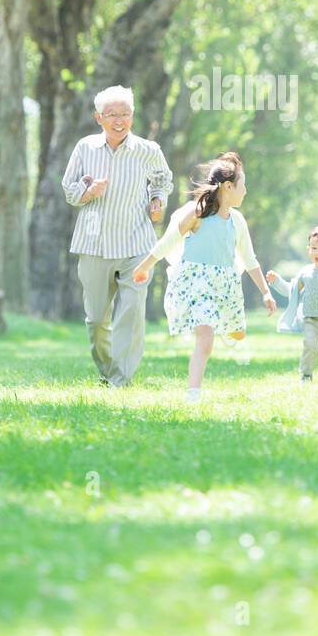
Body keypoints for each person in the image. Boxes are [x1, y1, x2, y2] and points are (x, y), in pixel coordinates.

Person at [133, 151, 276, 402]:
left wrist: (265, 292)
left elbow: (250, 260)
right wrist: (144, 267)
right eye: (243, 186)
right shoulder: (197, 215)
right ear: (229, 187)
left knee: (238, 333)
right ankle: (194, 393)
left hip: (225, 286)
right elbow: (166, 243)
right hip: (196, 284)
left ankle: (228, 330)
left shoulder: (237, 221)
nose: (246, 191)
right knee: (205, 338)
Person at [61, 85, 173, 386]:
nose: (119, 120)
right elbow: (68, 189)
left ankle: (119, 381)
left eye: (125, 114)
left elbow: (163, 180)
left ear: (132, 117)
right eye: (112, 115)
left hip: (137, 244)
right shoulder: (85, 148)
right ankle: (109, 371)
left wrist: (157, 200)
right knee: (97, 320)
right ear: (99, 118)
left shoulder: (149, 151)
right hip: (94, 244)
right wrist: (88, 191)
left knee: (131, 314)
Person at [267, 226, 318, 382]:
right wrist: (277, 281)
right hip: (311, 320)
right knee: (310, 345)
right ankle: (306, 374)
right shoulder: (305, 273)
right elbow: (291, 291)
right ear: (308, 250)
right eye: (314, 248)